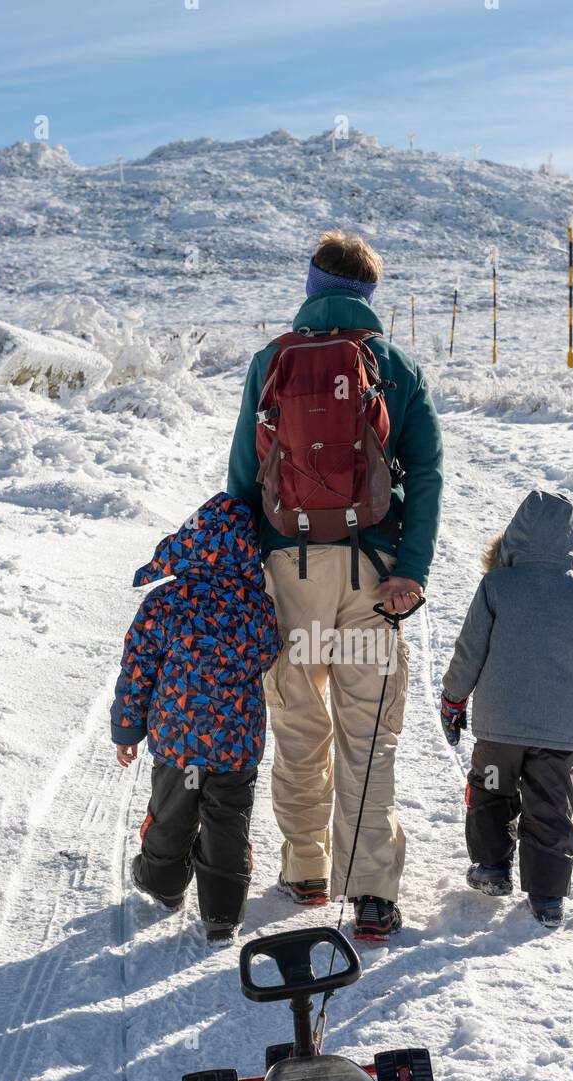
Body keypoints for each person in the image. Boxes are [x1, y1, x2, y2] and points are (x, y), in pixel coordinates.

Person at [226, 229, 444, 942]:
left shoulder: (271, 361)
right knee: (368, 734)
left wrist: (247, 571)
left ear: (311, 286)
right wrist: (410, 568)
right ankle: (372, 893)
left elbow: (240, 480)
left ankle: (307, 868)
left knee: (297, 728)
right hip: (372, 577)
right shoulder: (396, 366)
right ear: (370, 295)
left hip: (288, 573)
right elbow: (428, 476)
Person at [440, 489, 573, 926]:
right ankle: (546, 897)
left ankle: (491, 868)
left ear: (512, 539)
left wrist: (454, 700)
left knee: (489, 794)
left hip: (497, 730)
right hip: (557, 732)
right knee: (550, 807)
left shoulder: (495, 585)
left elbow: (469, 651)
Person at [110, 492, 281, 939]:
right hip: (235, 745)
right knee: (227, 821)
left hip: (178, 741)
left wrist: (128, 729)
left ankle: (163, 883)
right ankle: (223, 913)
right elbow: (267, 652)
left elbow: (138, 668)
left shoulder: (165, 602)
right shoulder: (257, 605)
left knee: (172, 813)